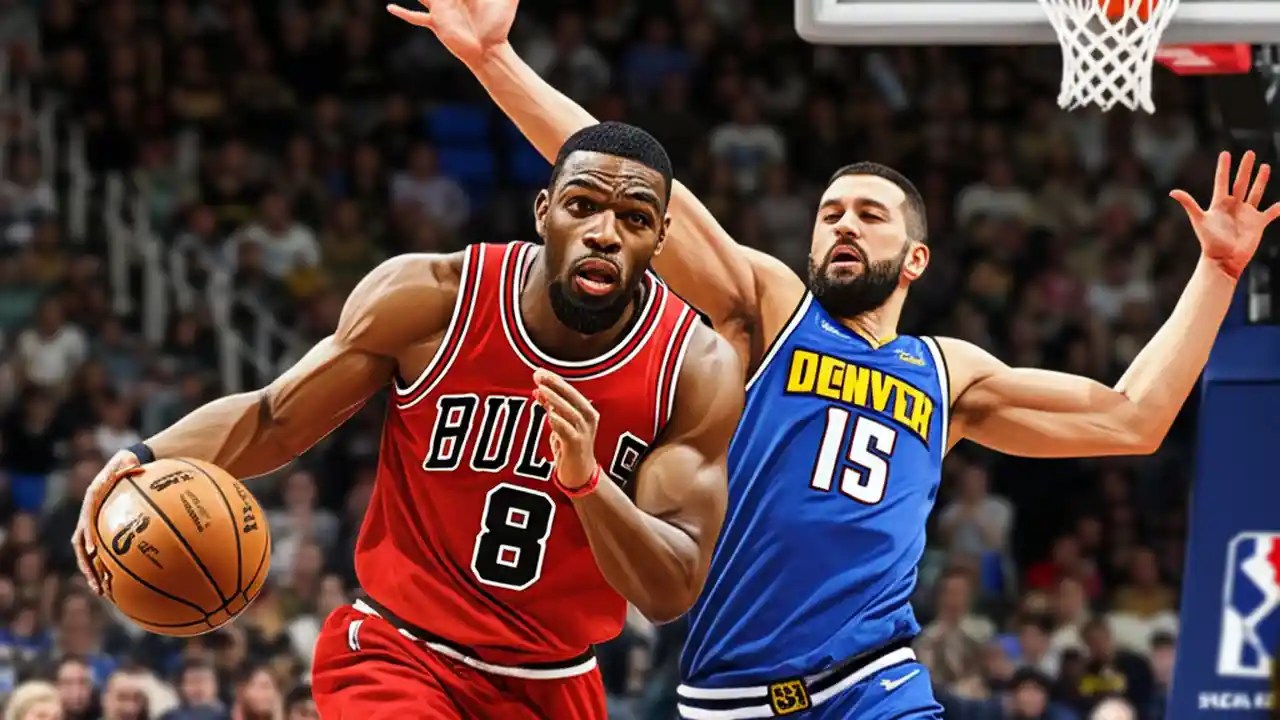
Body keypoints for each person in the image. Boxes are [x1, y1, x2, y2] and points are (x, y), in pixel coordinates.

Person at [392, 0, 1280, 716]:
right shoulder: (772, 310)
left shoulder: (948, 373)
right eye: (830, 212)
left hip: (875, 682)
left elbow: (1132, 419)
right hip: (726, 691)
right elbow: (644, 191)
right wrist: (493, 61)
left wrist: (1216, 270)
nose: (843, 224)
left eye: (869, 214)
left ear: (916, 258)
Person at [70, 123, 745, 719]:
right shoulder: (434, 300)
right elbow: (274, 417)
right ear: (545, 212)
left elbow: (670, 589)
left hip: (553, 680)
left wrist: (587, 481)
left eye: (633, 218)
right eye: (583, 206)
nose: (604, 232)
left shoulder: (693, 368)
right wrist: (141, 457)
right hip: (399, 652)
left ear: (660, 237)